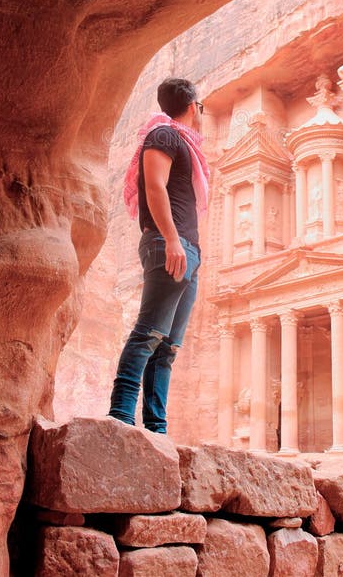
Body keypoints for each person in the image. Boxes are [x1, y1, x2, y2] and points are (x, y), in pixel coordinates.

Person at [107, 77, 209, 433]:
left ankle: (155, 427)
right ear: (192, 106)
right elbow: (154, 186)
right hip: (171, 244)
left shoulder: (181, 141)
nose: (201, 113)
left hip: (187, 250)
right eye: (201, 107)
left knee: (168, 346)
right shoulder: (163, 135)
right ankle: (120, 416)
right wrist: (171, 240)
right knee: (148, 333)